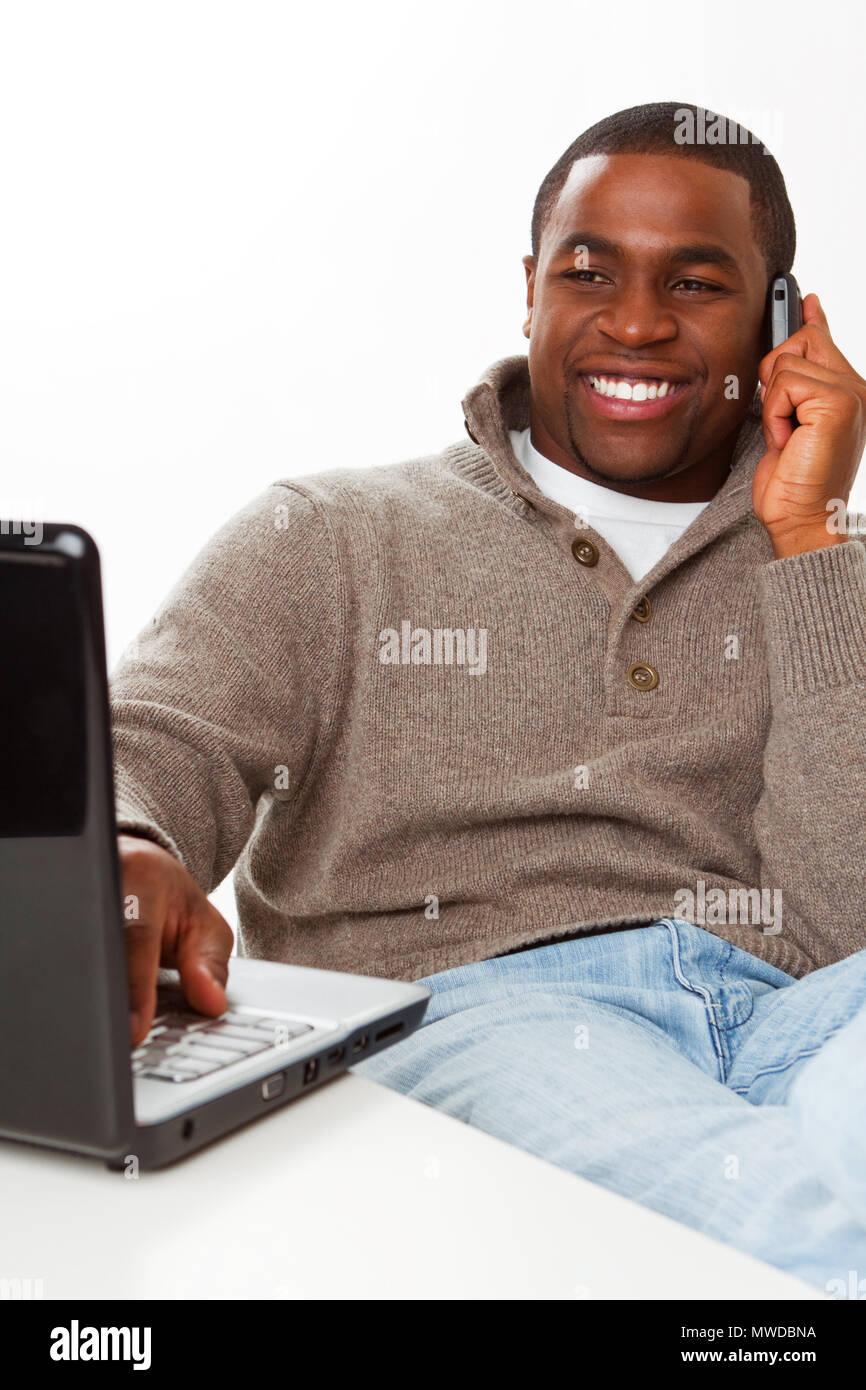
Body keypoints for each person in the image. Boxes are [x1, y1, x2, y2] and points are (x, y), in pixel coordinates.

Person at [110, 102, 866, 1291]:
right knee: (802, 1246)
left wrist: (811, 543)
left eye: (696, 283)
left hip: (803, 1014)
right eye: (587, 270)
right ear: (528, 289)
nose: (632, 321)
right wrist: (124, 841)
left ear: (781, 322)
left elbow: (841, 930)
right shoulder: (334, 536)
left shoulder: (827, 573)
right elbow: (143, 750)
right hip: (484, 1011)